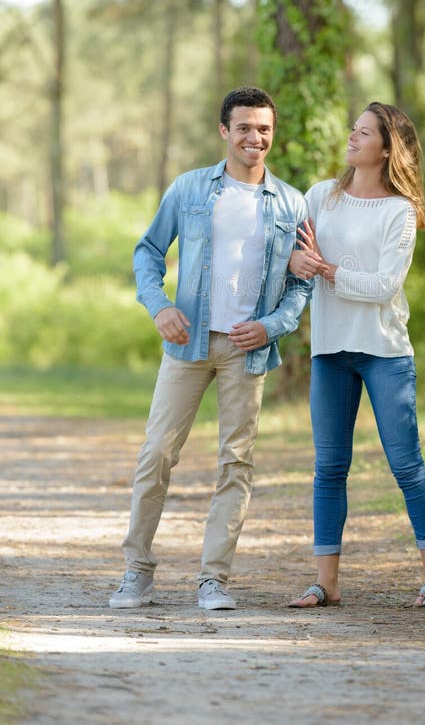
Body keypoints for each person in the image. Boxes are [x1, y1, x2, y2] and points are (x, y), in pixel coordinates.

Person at [109, 86, 311, 611]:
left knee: (236, 463)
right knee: (157, 453)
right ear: (224, 131)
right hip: (188, 343)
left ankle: (213, 580)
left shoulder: (291, 202)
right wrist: (159, 306)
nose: (255, 137)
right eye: (244, 127)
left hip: (249, 351)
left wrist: (273, 326)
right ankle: (137, 572)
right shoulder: (189, 190)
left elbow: (303, 281)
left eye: (263, 128)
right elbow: (147, 252)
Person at [287, 101, 425, 609]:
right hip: (330, 349)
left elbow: (384, 286)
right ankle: (325, 583)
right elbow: (291, 258)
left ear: (386, 147)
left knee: (406, 465)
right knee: (329, 468)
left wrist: (328, 269)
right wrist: (298, 259)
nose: (352, 138)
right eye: (353, 129)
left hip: (383, 352)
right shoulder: (320, 197)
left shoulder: (401, 211)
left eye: (363, 132)